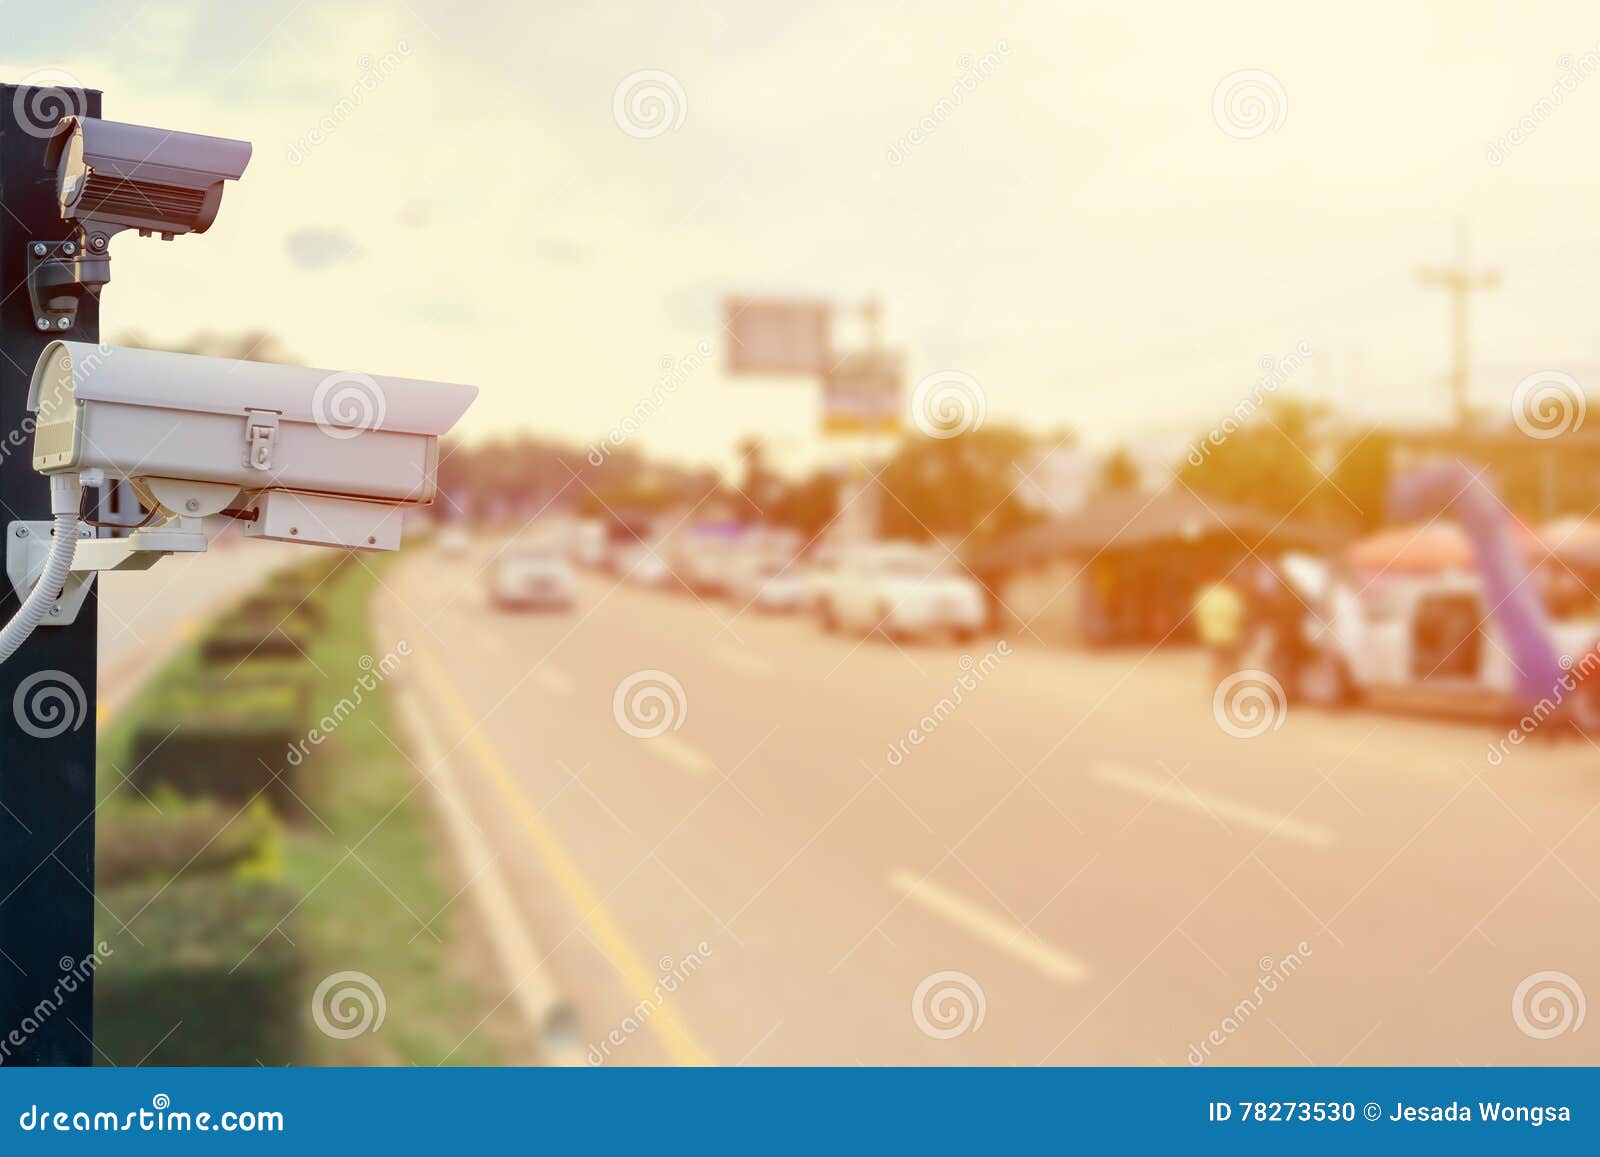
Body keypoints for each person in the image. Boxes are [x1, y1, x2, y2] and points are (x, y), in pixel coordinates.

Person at [1193, 574, 1244, 682]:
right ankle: (1232, 686)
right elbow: (1238, 615)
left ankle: (1216, 683)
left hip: (1211, 634)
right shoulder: (1230, 595)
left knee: (1217, 663)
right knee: (1232, 664)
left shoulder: (1206, 594)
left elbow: (1198, 614)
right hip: (1229, 635)